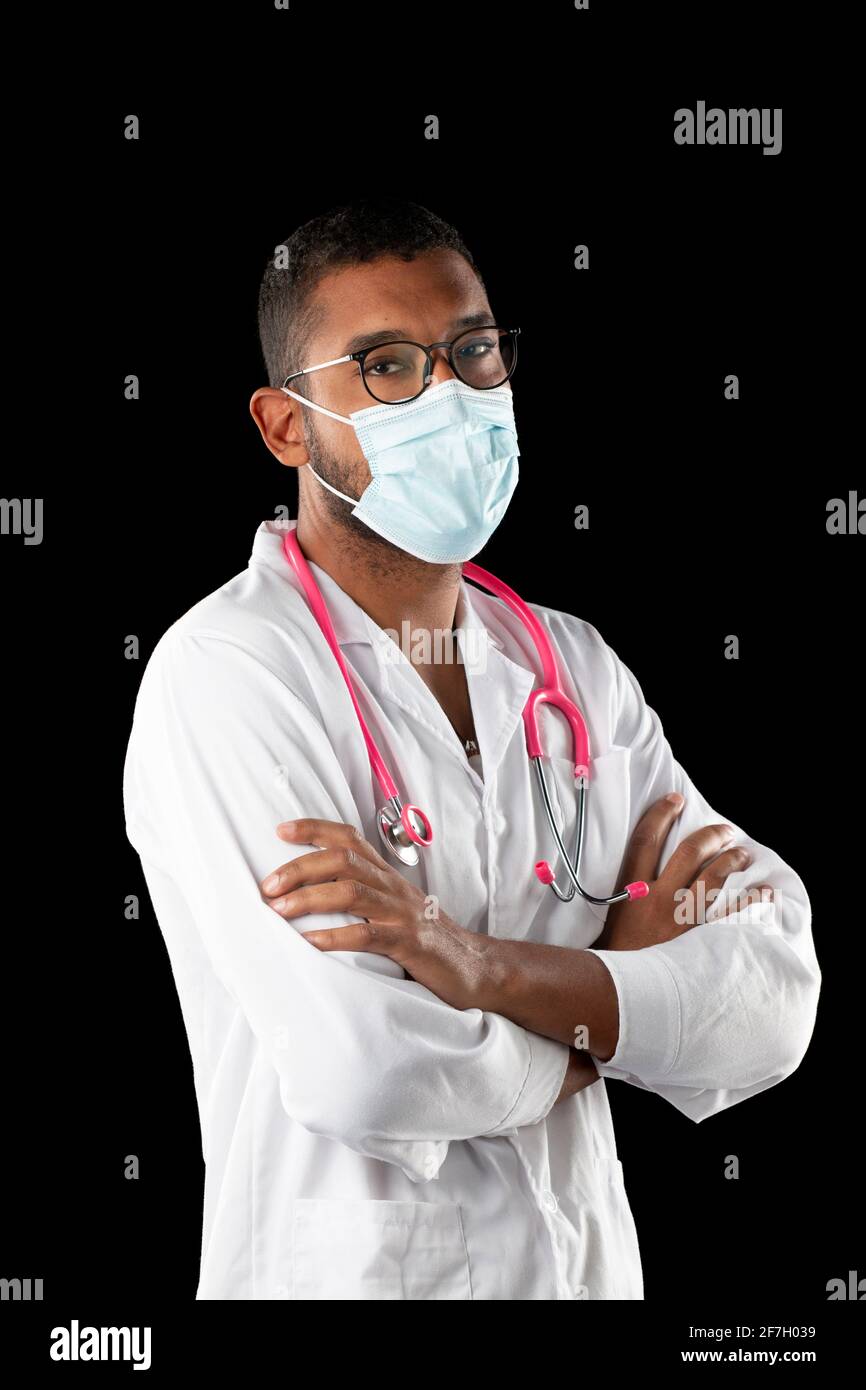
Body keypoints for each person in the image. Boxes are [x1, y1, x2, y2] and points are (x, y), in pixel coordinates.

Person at [122, 196, 821, 1300]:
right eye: (387, 367)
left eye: (472, 350)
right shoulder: (228, 672)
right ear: (285, 427)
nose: (447, 394)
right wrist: (612, 1020)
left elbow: (773, 992)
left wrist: (478, 968)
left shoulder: (572, 670)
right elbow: (363, 1067)